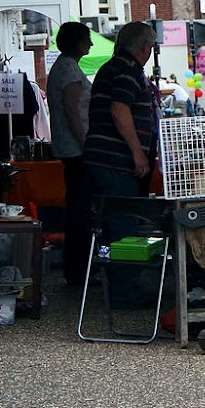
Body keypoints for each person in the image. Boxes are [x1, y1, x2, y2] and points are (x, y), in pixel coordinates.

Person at [83, 21, 159, 306]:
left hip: (104, 159)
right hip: (115, 162)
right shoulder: (127, 70)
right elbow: (119, 109)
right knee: (122, 227)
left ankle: (121, 288)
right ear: (143, 47)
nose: (150, 52)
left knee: (115, 224)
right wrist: (137, 152)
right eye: (151, 47)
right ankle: (125, 294)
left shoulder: (113, 67)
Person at [46, 21, 93, 286]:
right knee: (79, 211)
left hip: (69, 147)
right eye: (87, 39)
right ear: (77, 42)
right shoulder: (68, 69)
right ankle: (77, 270)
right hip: (76, 150)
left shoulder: (63, 66)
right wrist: (86, 143)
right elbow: (74, 110)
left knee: (78, 208)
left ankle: (76, 269)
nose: (91, 44)